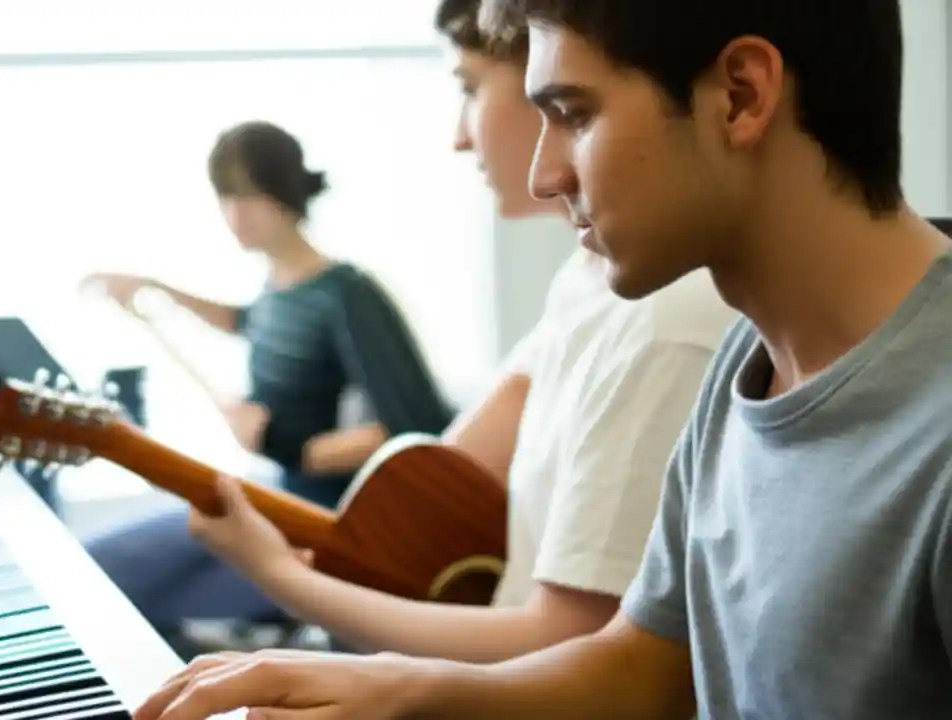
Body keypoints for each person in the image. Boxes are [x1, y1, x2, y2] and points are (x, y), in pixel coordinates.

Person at [131, 0, 952, 718]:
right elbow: (640, 667)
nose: (545, 173)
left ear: (740, 96)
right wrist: (393, 688)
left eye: (576, 113)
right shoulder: (748, 356)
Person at [169, 0, 737, 666]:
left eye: (469, 88)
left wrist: (283, 577)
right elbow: (440, 482)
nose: (459, 137)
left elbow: (568, 646)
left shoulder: (658, 316)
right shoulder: (584, 284)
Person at [80, 120, 453, 649]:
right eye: (226, 199)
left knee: (120, 583)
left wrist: (293, 448)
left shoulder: (347, 294)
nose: (235, 216)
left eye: (249, 197)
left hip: (320, 529)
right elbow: (245, 321)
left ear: (285, 194)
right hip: (270, 503)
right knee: (106, 576)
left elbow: (417, 430)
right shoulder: (278, 288)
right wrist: (154, 289)